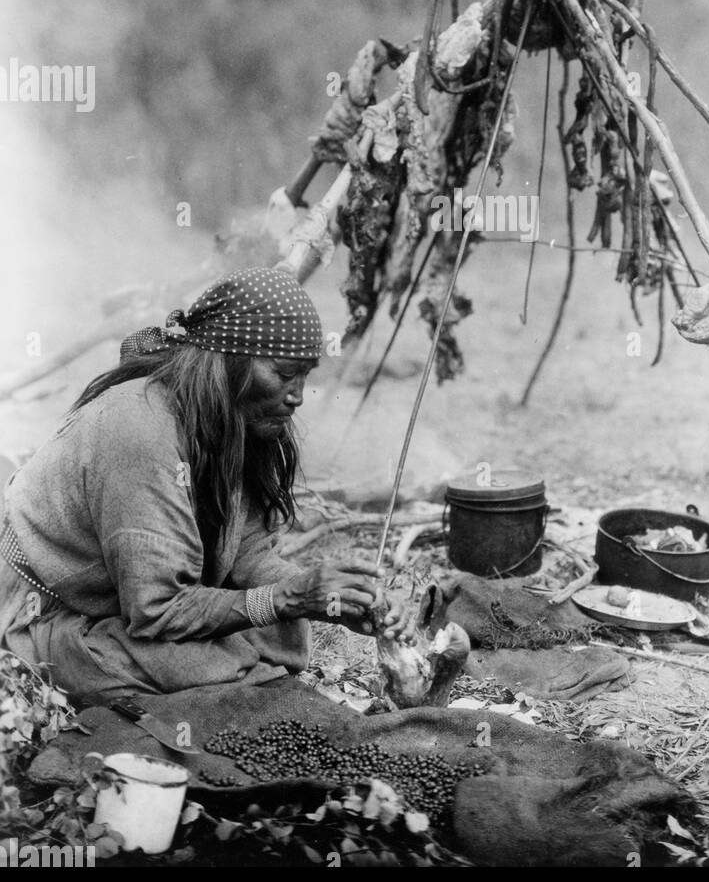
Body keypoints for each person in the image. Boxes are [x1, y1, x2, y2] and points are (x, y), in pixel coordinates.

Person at [0, 267, 410, 702]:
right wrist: (286, 597)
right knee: (191, 662)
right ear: (231, 362)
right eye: (285, 373)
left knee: (281, 631)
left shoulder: (232, 421)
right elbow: (157, 610)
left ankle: (233, 668)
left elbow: (248, 553)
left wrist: (332, 597)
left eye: (305, 375)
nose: (298, 396)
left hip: (136, 601)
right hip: (48, 611)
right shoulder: (140, 430)